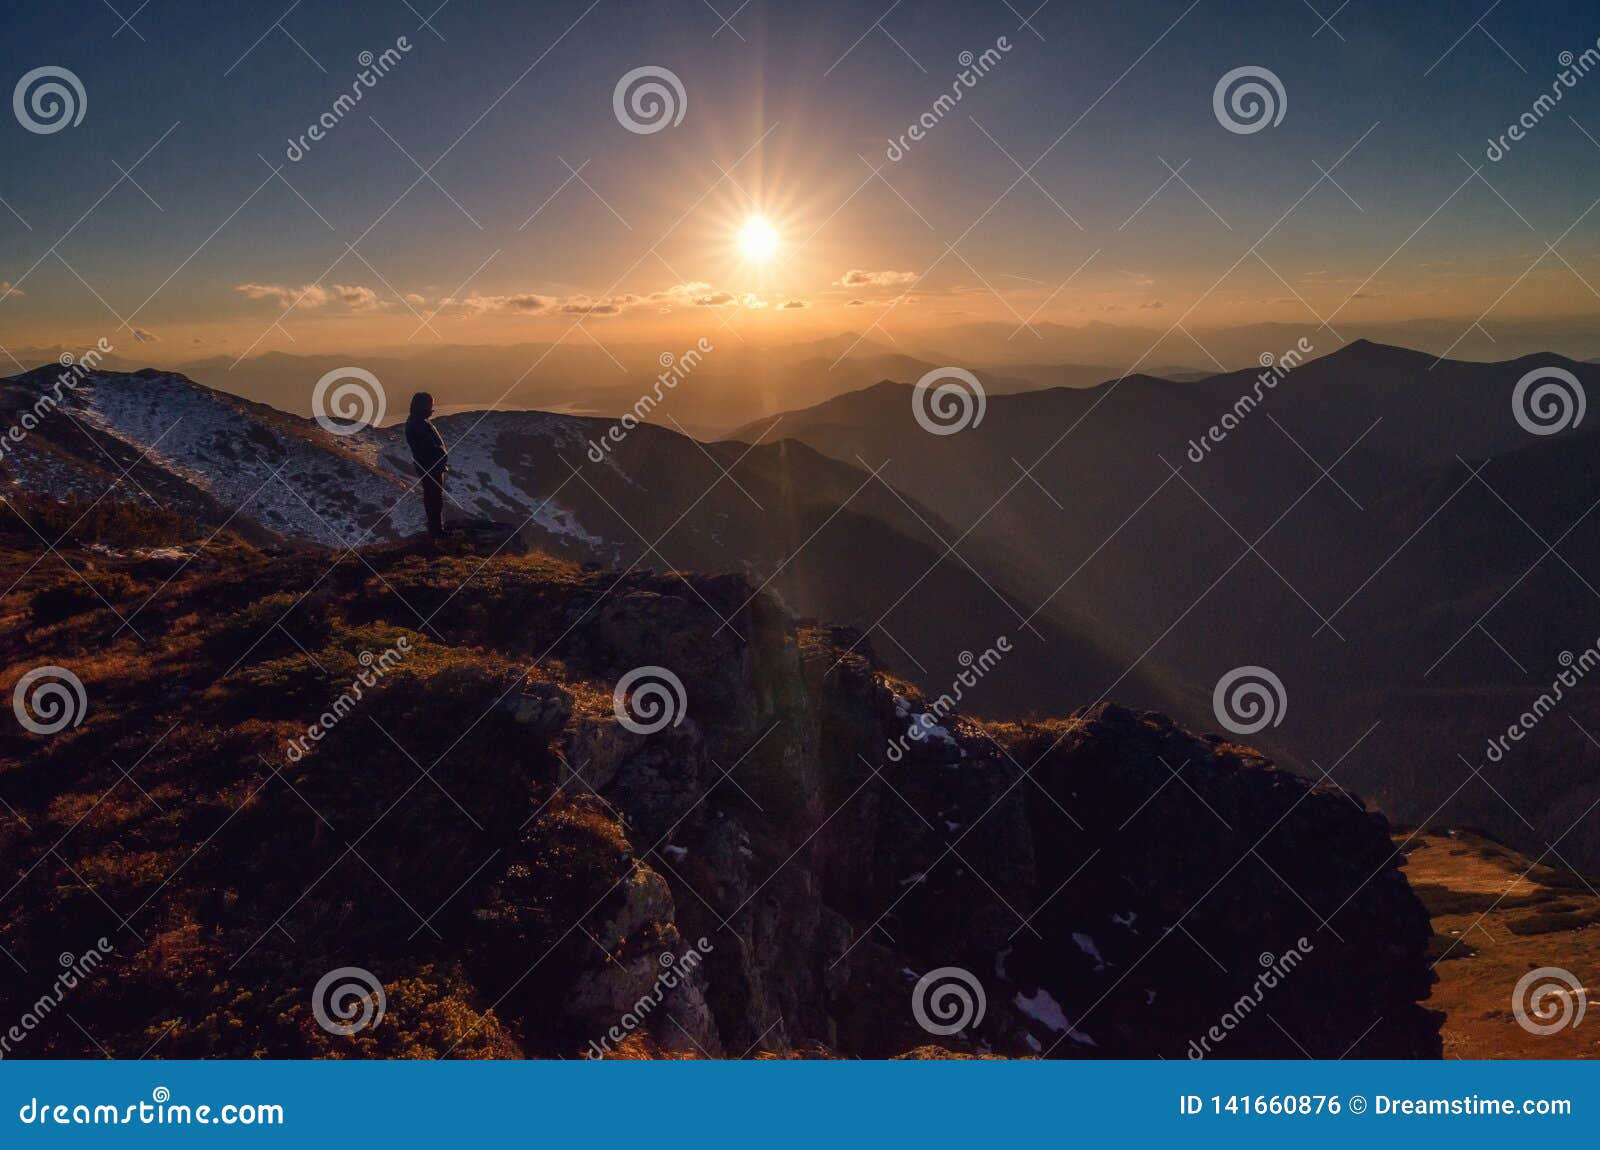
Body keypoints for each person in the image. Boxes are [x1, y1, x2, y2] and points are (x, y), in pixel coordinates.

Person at [404, 391, 449, 538]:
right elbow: (426, 449)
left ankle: (436, 529)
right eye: (430, 405)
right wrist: (439, 457)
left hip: (431, 467)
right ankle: (436, 531)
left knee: (434, 498)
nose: (432, 408)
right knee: (433, 498)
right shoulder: (418, 424)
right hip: (430, 468)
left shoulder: (418, 422)